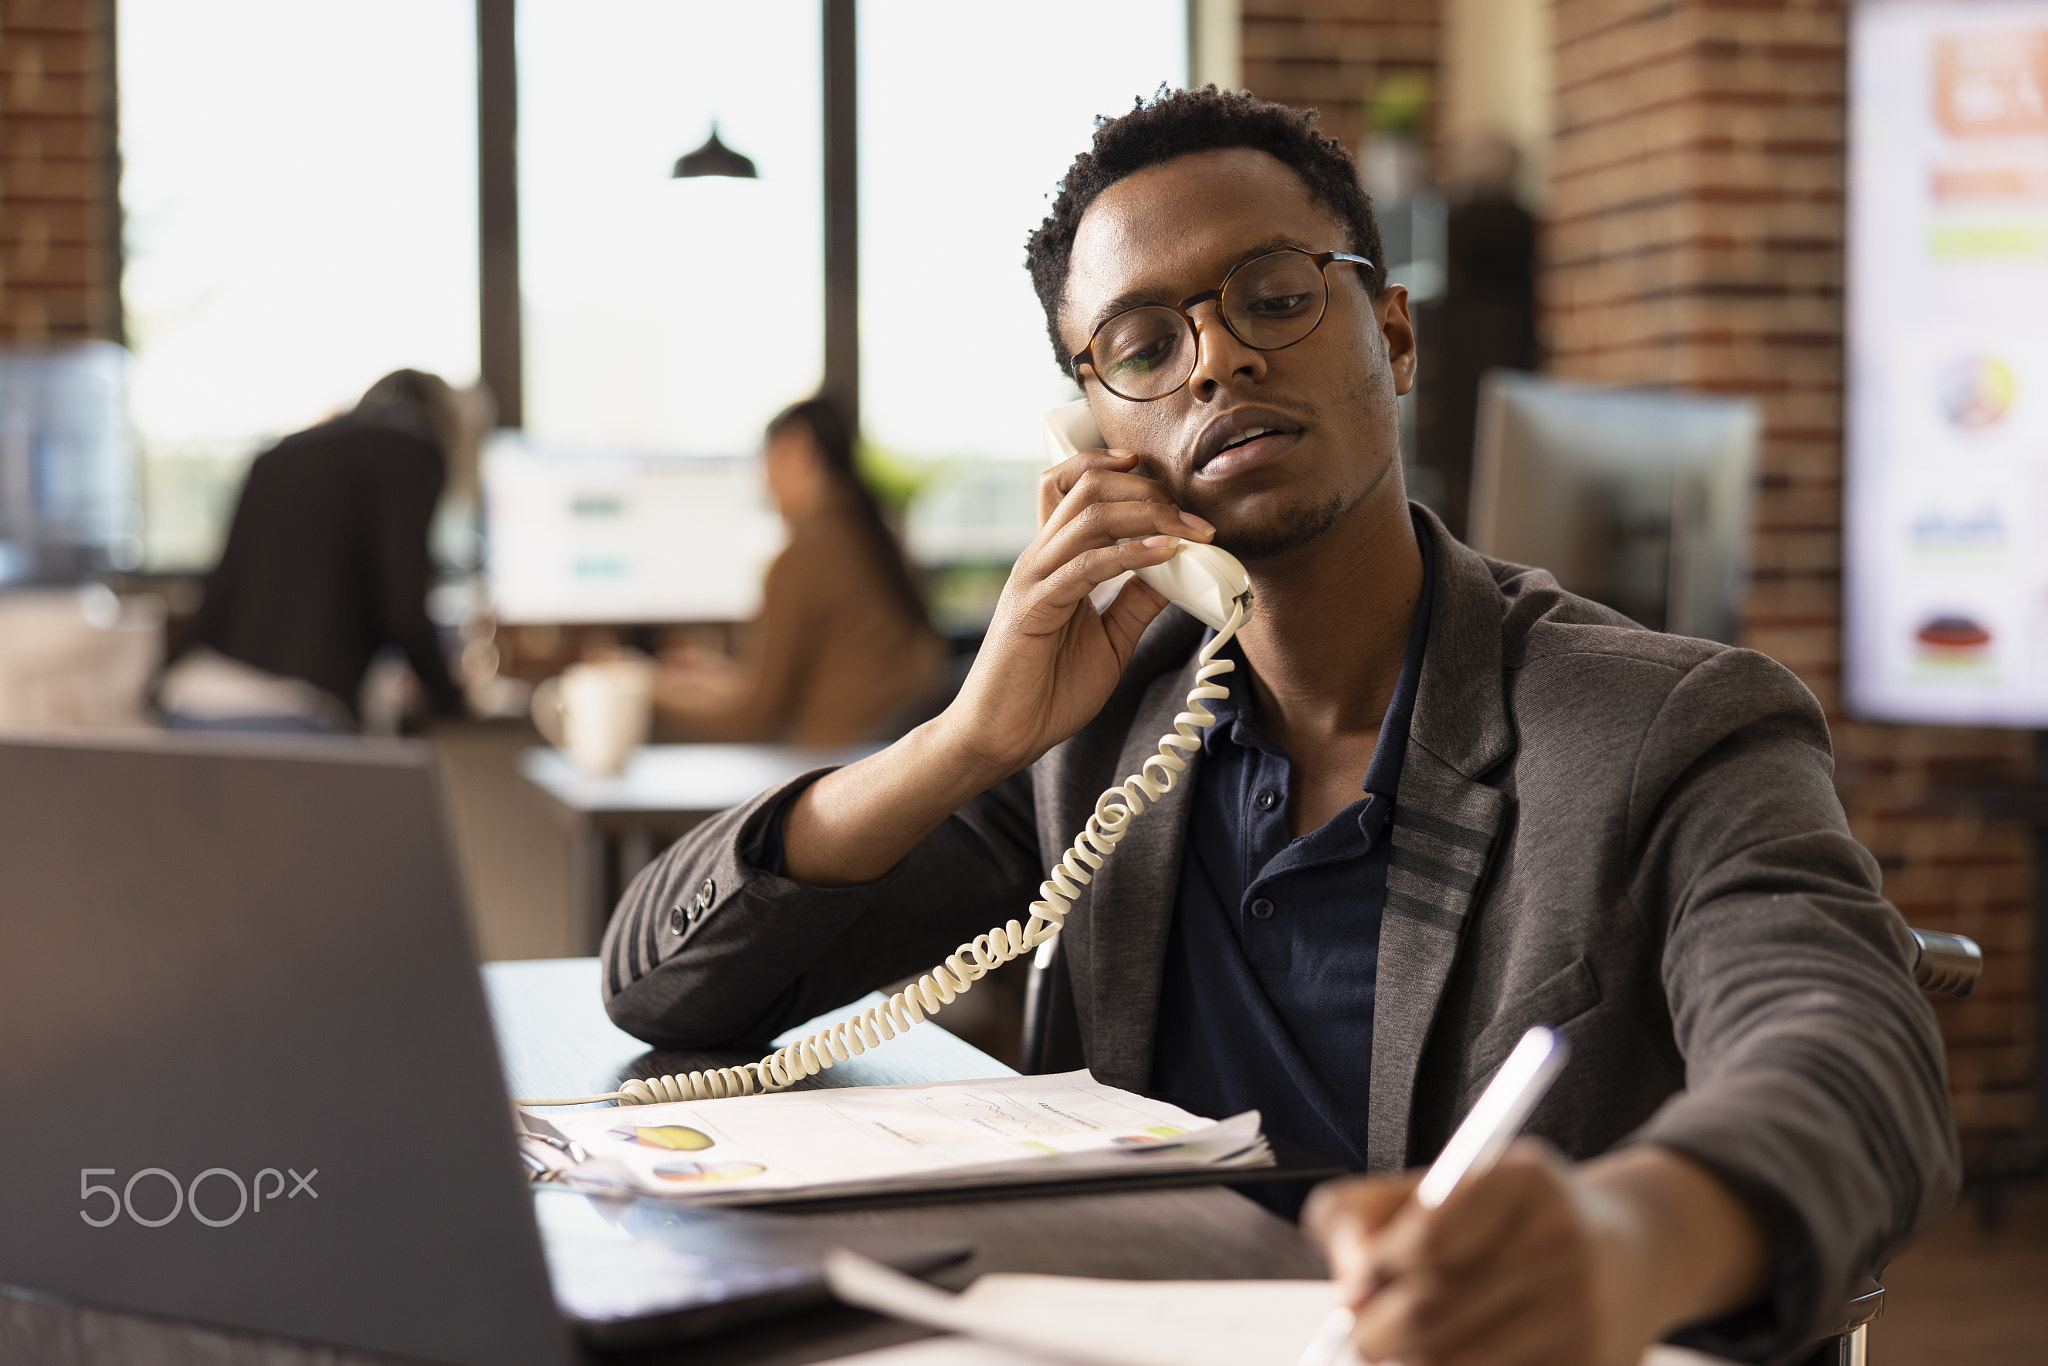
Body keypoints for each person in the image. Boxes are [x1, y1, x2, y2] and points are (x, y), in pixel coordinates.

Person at [598, 89, 1957, 1366]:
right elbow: (663, 985)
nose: (1221, 357)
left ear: (1396, 336)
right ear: (1096, 432)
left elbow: (1850, 1052)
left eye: (1273, 295)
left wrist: (1624, 1234)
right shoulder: (1101, 731)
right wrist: (963, 737)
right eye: (1143, 342)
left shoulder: (1669, 720)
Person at [158, 369, 490, 732]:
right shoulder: (411, 450)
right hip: (295, 709)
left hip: (195, 696)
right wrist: (450, 699)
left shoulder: (283, 453)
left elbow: (221, 588)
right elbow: (402, 605)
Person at [650, 397, 947, 745]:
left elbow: (754, 719)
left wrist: (644, 695)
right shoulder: (873, 534)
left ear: (798, 450)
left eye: (768, 459)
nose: (763, 480)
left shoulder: (807, 556)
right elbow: (791, 685)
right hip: (881, 755)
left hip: (832, 766)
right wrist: (699, 683)